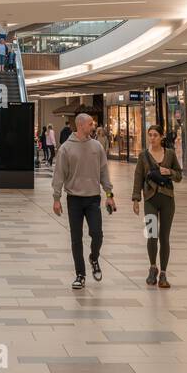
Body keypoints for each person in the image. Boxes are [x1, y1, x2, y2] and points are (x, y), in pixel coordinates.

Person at [52, 111, 115, 290]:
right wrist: (56, 198)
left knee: (97, 233)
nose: (93, 126)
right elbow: (59, 175)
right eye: (90, 124)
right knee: (76, 238)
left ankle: (94, 257)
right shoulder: (65, 148)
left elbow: (104, 172)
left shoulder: (97, 147)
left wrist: (109, 195)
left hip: (93, 198)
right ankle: (80, 274)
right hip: (74, 200)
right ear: (80, 125)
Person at [132, 124, 183, 288]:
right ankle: (153, 267)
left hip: (167, 200)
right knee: (151, 235)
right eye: (150, 135)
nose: (152, 138)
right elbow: (138, 177)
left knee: (164, 237)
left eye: (155, 135)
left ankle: (163, 273)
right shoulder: (143, 156)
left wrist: (170, 173)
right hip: (150, 200)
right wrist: (135, 199)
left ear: (161, 137)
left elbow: (179, 175)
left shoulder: (170, 154)